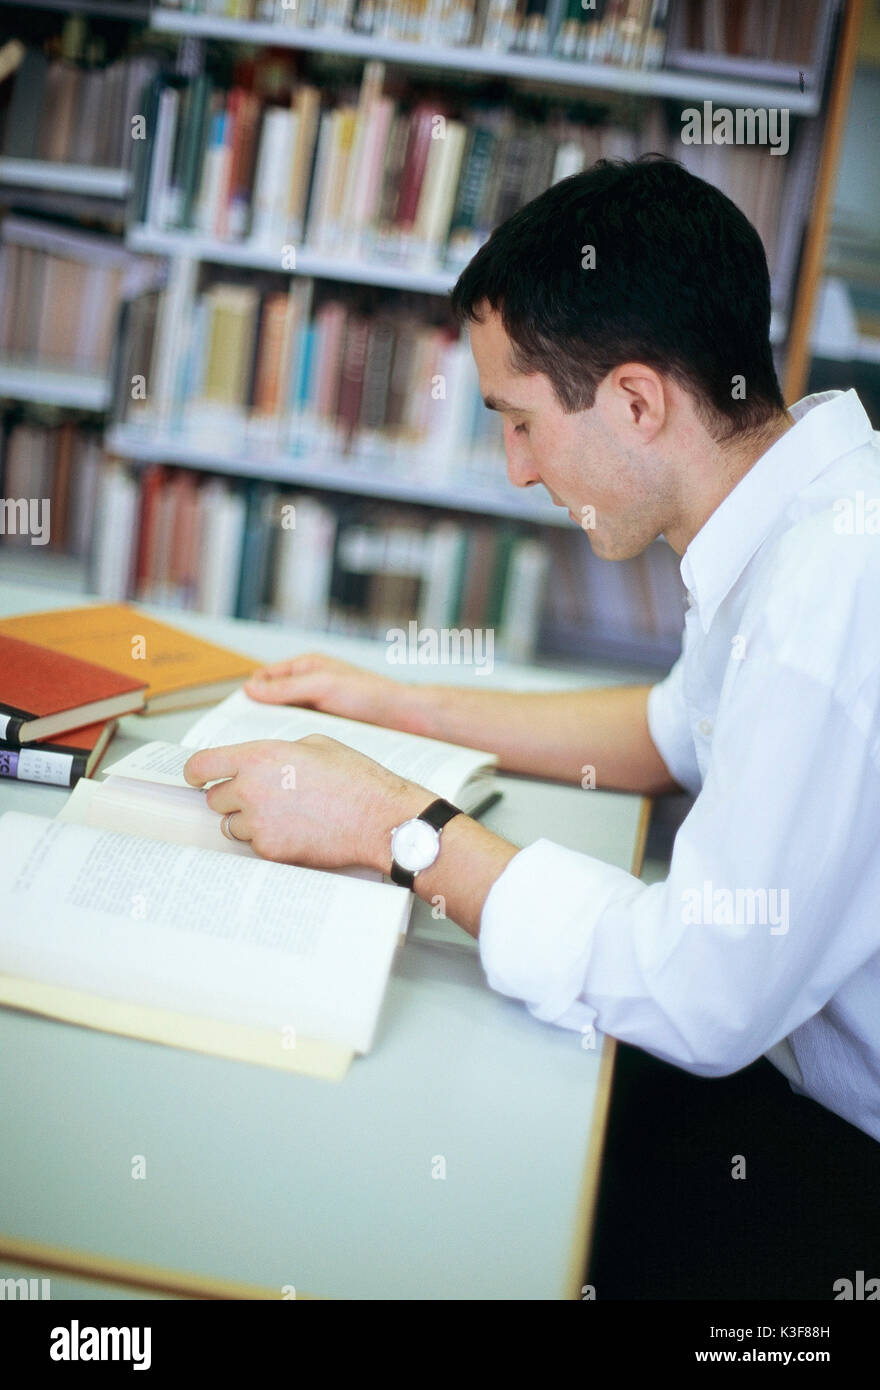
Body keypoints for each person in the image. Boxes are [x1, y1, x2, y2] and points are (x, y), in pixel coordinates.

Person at [183, 155, 880, 1159]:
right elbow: (668, 730)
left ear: (637, 403)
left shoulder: (830, 601)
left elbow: (700, 997)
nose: (516, 468)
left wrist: (393, 824)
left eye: (521, 422)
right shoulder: (792, 512)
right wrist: (398, 706)